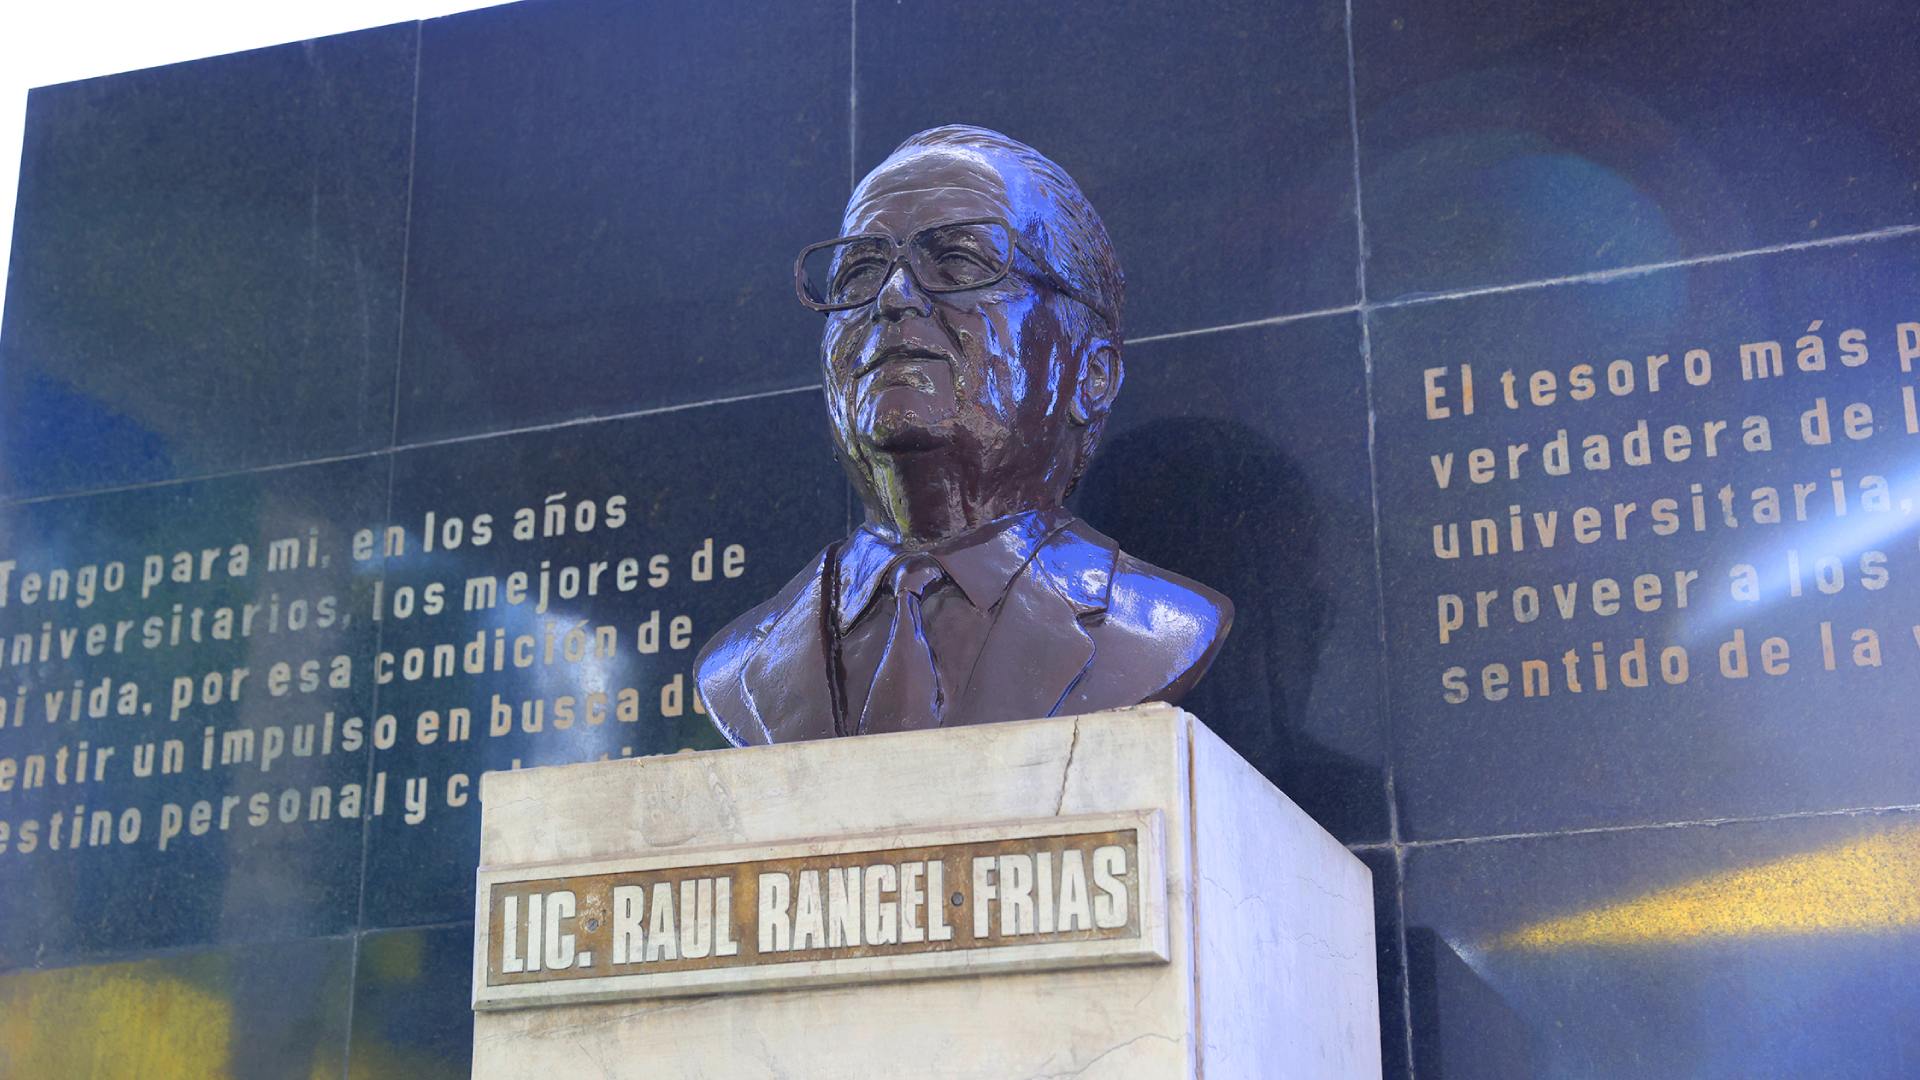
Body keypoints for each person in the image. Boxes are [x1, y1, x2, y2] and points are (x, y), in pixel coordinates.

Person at [695, 124, 1231, 744]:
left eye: (958, 262)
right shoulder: (736, 668)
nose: (892, 298)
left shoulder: (1163, 630)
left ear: (1091, 373)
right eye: (858, 276)